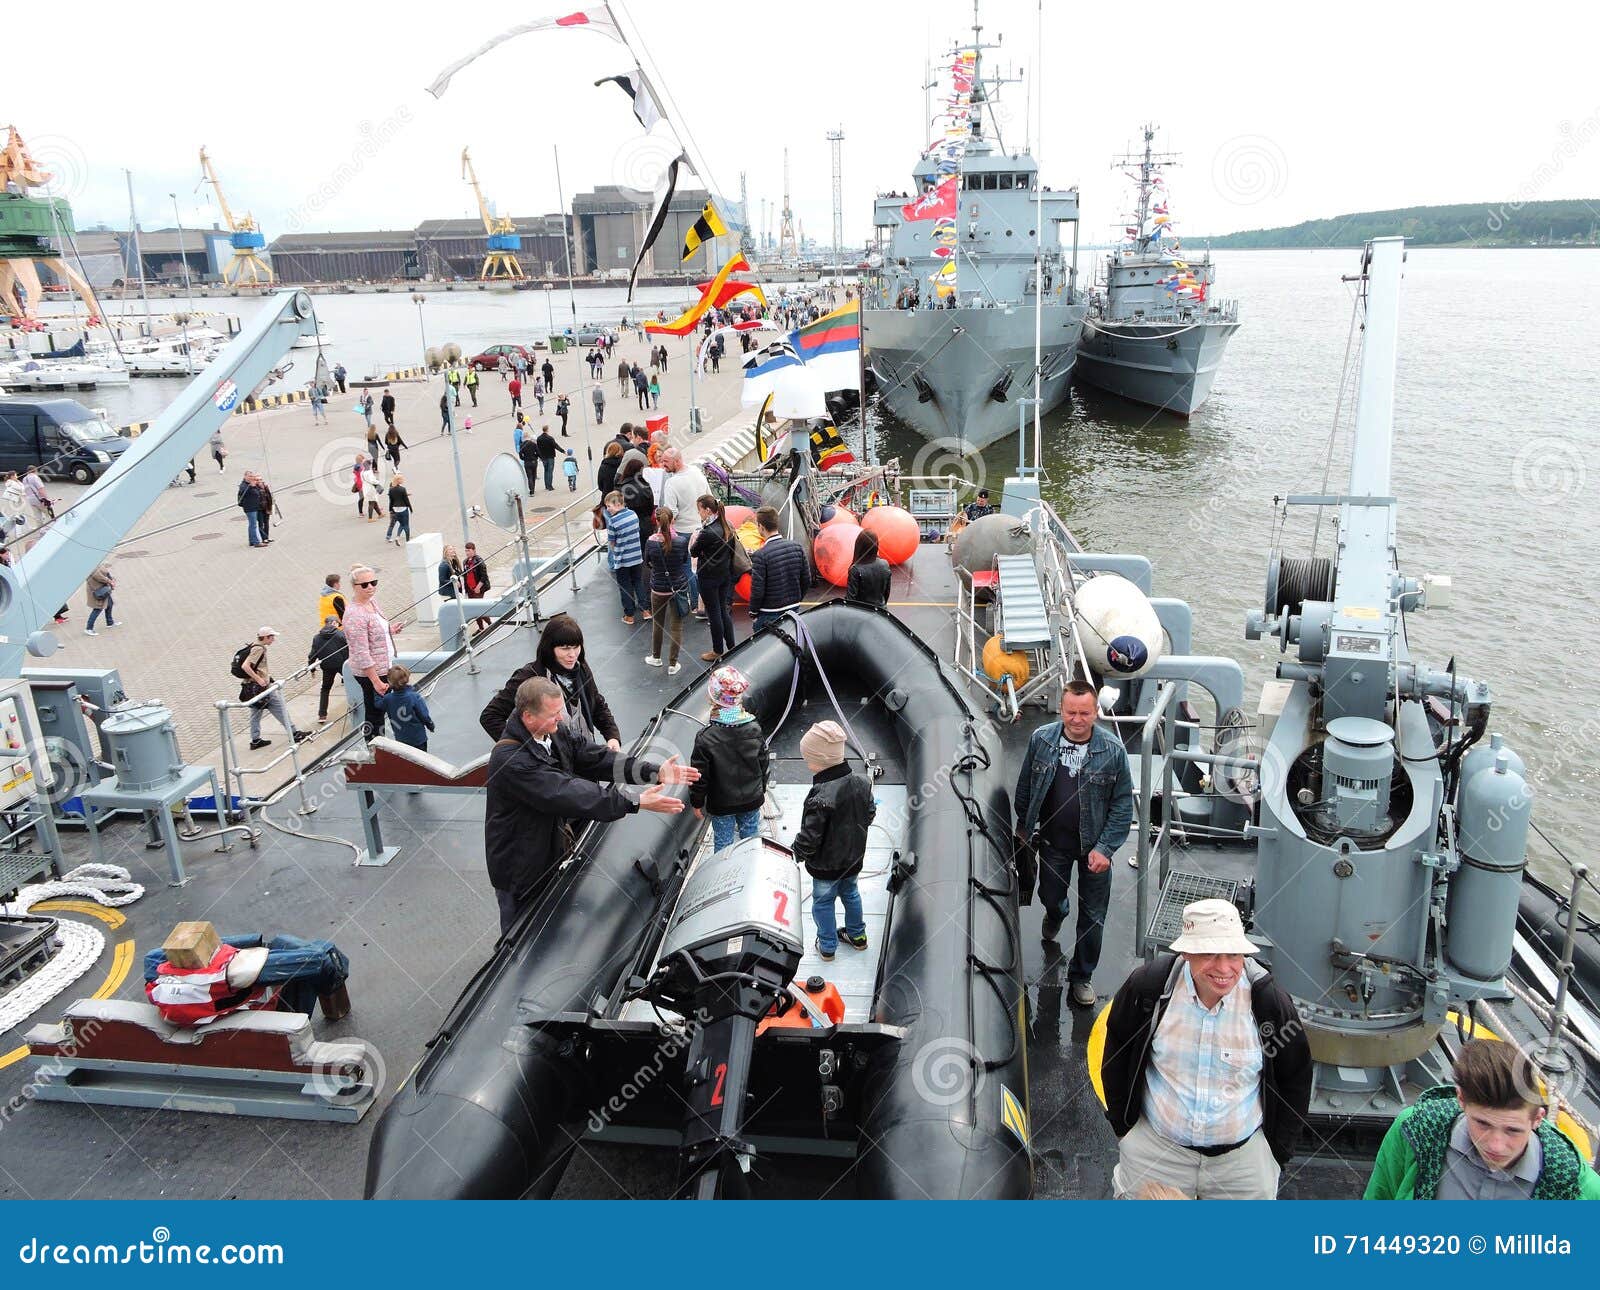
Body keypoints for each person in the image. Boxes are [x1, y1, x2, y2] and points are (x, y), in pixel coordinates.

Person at [1101, 898, 1313, 1200]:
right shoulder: (1148, 988)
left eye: (1233, 954)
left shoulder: (1268, 1002)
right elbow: (1117, 1055)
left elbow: (1296, 1077)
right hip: (1157, 1153)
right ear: (1187, 953)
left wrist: (1276, 1151)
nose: (1224, 968)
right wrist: (1126, 1131)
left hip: (1241, 1166)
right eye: (1210, 954)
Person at [484, 677, 696, 933]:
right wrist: (635, 801)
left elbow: (595, 757)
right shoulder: (512, 761)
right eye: (553, 714)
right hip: (520, 866)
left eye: (560, 711)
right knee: (518, 930)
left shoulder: (552, 732)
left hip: (545, 846)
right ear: (528, 717)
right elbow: (566, 792)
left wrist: (653, 772)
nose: (560, 718)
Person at [1012, 679, 1134, 1004]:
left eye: (1084, 713)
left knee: (1093, 916)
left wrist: (1105, 848)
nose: (1077, 720)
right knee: (1050, 896)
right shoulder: (1041, 740)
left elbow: (1123, 805)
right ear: (1061, 709)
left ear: (1096, 713)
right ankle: (1056, 912)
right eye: (1071, 713)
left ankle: (1081, 977)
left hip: (1095, 848)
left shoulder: (1113, 751)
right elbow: (1025, 787)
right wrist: (1023, 828)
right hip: (1053, 843)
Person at [1365, 1040, 1600, 1200]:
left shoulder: (1574, 1185)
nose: (1496, 1146)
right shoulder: (1416, 1130)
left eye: (1513, 1130)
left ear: (1537, 1119)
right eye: (1483, 1124)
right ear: (1461, 1100)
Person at [791, 721, 875, 962]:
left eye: (809, 759)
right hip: (853, 860)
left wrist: (795, 853)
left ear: (821, 760)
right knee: (851, 895)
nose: (807, 764)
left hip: (825, 867)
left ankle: (828, 946)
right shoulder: (863, 783)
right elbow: (869, 814)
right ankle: (858, 936)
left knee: (823, 902)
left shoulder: (820, 796)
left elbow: (810, 837)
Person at [477, 613, 621, 748]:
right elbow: (490, 716)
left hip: (584, 753)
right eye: (565, 648)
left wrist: (612, 736)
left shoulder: (581, 668)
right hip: (551, 762)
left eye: (576, 647)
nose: (572, 655)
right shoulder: (530, 676)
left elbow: (596, 702)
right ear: (550, 648)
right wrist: (529, 749)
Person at [690, 666, 767, 851]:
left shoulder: (706, 737)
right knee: (751, 841)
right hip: (752, 799)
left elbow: (699, 775)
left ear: (713, 698)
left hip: (721, 804)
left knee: (724, 846)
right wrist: (761, 789)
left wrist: (697, 802)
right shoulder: (754, 728)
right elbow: (763, 764)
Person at [342, 564, 400, 740]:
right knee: (375, 711)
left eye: (373, 582)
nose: (370, 587)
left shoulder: (372, 602)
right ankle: (373, 744)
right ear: (354, 587)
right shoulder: (354, 615)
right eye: (364, 584)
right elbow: (360, 652)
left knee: (378, 709)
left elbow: (373, 631)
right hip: (372, 672)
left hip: (383, 666)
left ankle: (378, 743)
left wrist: (389, 630)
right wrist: (376, 681)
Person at [239, 627, 309, 750]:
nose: (273, 639)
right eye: (272, 637)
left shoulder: (253, 645)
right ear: (265, 637)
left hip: (251, 688)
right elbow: (246, 666)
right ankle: (294, 733)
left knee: (255, 713)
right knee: (280, 708)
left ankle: (255, 740)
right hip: (261, 688)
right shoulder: (259, 649)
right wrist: (259, 679)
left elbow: (258, 667)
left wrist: (269, 678)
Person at [643, 505, 690, 675]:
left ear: (656, 521)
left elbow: (647, 562)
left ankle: (656, 657)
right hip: (677, 588)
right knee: (676, 627)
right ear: (672, 520)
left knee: (658, 625)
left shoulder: (651, 542)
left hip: (658, 589)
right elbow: (683, 560)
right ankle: (673, 664)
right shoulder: (681, 541)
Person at [690, 494, 738, 661]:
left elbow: (693, 551)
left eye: (700, 510)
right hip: (724, 574)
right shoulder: (727, 527)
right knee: (723, 610)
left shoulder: (707, 532)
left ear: (708, 510)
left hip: (709, 577)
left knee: (714, 613)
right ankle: (732, 646)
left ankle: (717, 650)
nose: (699, 513)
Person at [748, 506, 808, 633]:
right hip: (793, 610)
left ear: (761, 527)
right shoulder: (797, 547)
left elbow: (757, 590)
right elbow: (806, 580)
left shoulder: (760, 555)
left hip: (769, 614)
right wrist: (796, 599)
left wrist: (753, 612)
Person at [601, 491, 647, 625]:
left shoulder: (613, 521)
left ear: (617, 504)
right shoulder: (633, 515)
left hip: (622, 560)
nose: (607, 510)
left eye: (609, 506)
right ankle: (646, 611)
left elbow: (612, 542)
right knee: (638, 582)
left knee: (625, 587)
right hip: (637, 557)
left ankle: (629, 615)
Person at [375, 665, 434, 751]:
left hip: (402, 740)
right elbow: (423, 714)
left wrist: (377, 692)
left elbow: (378, 704)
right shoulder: (414, 697)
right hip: (418, 739)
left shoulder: (388, 699)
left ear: (390, 682)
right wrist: (430, 725)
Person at [307, 614, 348, 724]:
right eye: (337, 624)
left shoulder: (316, 638)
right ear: (334, 623)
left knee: (325, 689)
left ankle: (322, 715)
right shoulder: (340, 634)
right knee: (354, 683)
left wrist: (312, 669)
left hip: (327, 667)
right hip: (342, 665)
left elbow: (312, 655)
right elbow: (348, 649)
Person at [846, 529, 891, 608]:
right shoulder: (885, 564)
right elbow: (886, 592)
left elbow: (850, 600)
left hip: (862, 612)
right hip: (881, 611)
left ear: (858, 546)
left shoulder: (855, 570)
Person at [617, 456, 655, 533]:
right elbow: (651, 506)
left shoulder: (620, 487)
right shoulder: (645, 486)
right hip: (644, 524)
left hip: (626, 524)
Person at [462, 541, 492, 632]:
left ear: (474, 550)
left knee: (478, 608)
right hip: (470, 589)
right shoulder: (465, 562)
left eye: (469, 550)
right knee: (474, 609)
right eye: (466, 551)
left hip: (478, 589)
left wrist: (478, 587)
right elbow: (465, 575)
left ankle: (490, 624)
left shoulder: (479, 561)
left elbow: (484, 576)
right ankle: (481, 627)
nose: (467, 552)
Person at [237, 471, 268, 547]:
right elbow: (243, 492)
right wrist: (252, 486)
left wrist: (259, 485)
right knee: (253, 525)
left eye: (252, 476)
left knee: (252, 524)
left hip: (254, 507)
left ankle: (251, 541)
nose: (251, 478)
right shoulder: (244, 485)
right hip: (250, 508)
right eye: (250, 476)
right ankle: (256, 542)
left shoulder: (250, 484)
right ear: (245, 476)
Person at [84, 563, 116, 634]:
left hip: (103, 589)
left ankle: (110, 622)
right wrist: (110, 581)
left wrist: (110, 579)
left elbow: (104, 571)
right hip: (99, 591)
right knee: (98, 609)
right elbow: (98, 576)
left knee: (110, 604)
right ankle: (89, 628)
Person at [385, 475, 413, 545]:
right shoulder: (402, 489)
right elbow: (406, 500)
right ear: (398, 480)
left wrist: (390, 509)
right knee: (406, 525)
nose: (403, 480)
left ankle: (396, 537)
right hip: (403, 508)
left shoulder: (391, 490)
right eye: (401, 479)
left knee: (400, 524)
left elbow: (391, 501)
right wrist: (410, 508)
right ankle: (407, 540)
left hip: (395, 509)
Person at [535, 424, 559, 492]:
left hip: (543, 457)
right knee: (550, 471)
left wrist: (539, 456)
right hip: (550, 456)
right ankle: (550, 486)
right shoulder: (550, 438)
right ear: (547, 430)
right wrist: (563, 451)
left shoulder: (539, 438)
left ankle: (546, 485)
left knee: (546, 470)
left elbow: (538, 448)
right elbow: (556, 446)